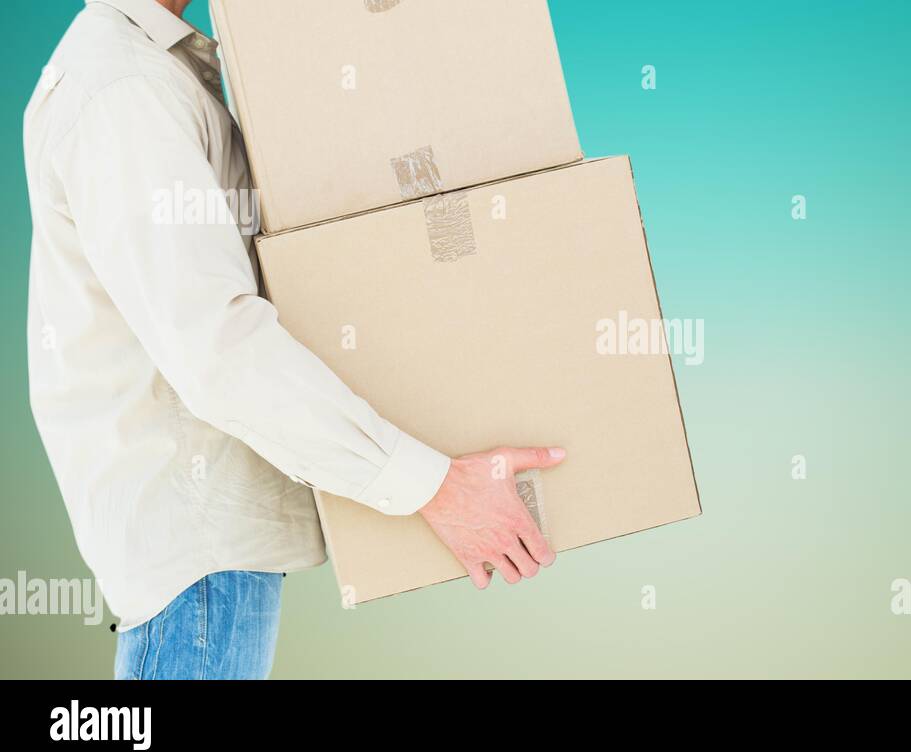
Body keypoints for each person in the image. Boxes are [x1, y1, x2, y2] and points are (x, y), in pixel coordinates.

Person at [24, 0, 561, 680]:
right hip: (200, 566)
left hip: (201, 562)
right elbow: (218, 348)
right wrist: (433, 487)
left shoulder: (133, 69)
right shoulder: (126, 92)